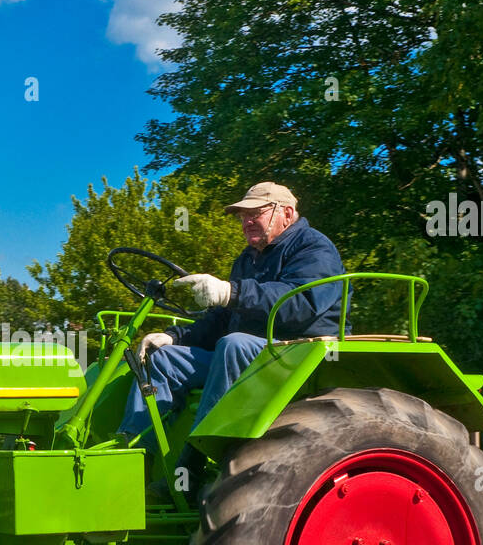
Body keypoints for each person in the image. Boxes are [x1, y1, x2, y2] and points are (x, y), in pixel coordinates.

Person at [117, 181, 346, 496]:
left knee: (234, 343)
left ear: (287, 213)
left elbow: (301, 304)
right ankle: (130, 463)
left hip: (296, 355)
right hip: (248, 355)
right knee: (164, 360)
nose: (246, 221)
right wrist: (173, 337)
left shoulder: (313, 248)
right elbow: (222, 318)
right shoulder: (248, 258)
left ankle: (191, 469)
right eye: (242, 216)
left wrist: (231, 291)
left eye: (255, 213)